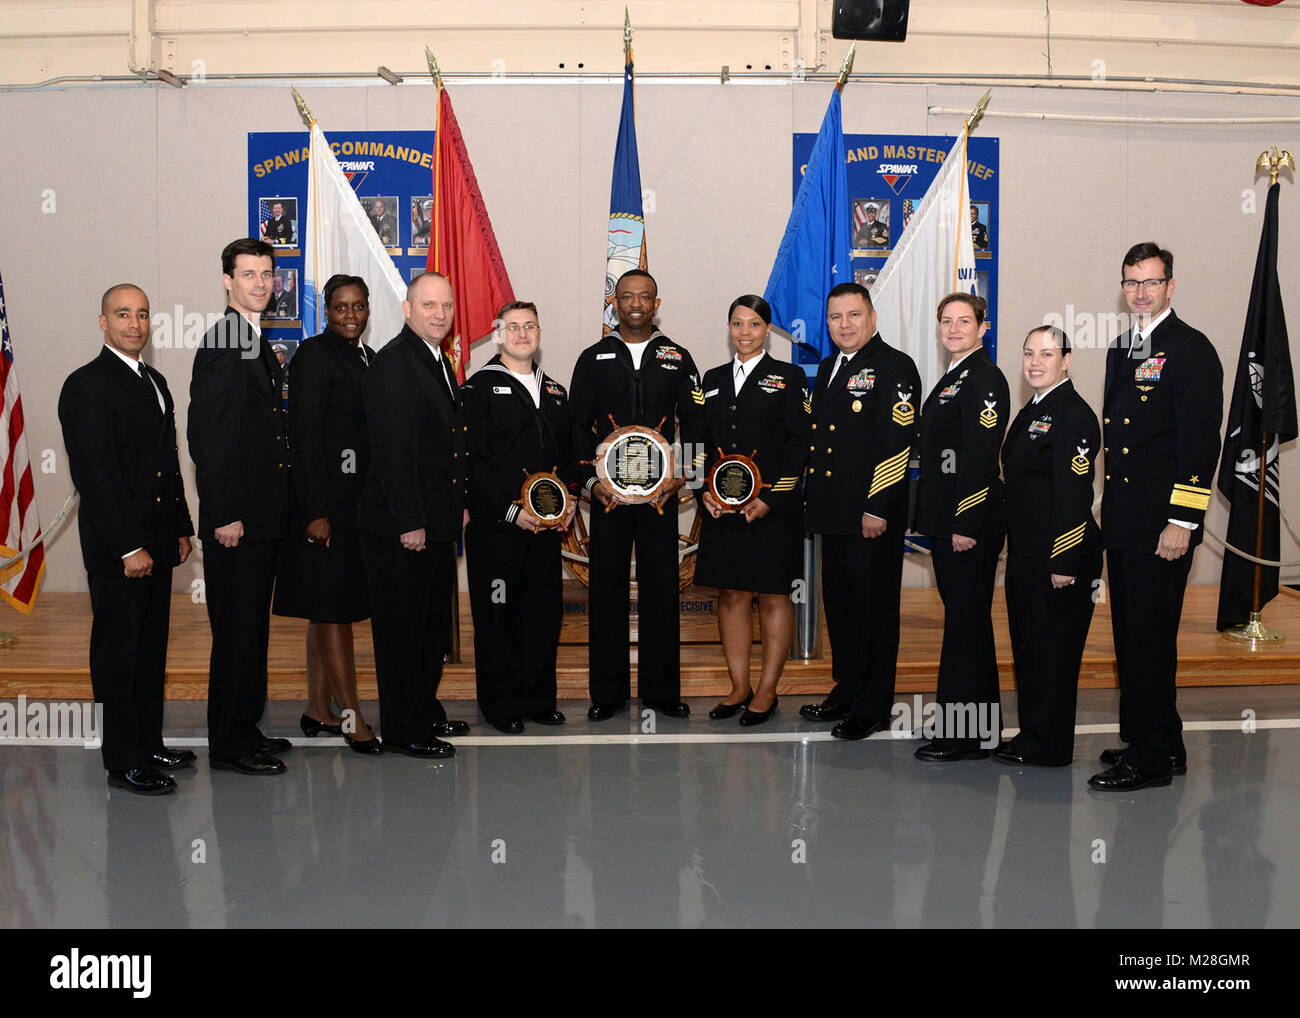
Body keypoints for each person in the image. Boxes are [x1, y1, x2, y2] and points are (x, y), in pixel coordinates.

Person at [1090, 242, 1223, 791]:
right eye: (1130, 283)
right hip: (1125, 519)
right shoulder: (1123, 347)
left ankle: (1147, 761)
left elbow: (1199, 445)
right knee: (1133, 636)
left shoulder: (1191, 349)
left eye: (1150, 282)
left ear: (1171, 286)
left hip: (1163, 525)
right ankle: (1161, 740)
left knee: (1148, 637)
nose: (1140, 293)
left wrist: (1183, 522)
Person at [58, 284, 195, 795]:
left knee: (150, 647)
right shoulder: (86, 385)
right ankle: (123, 758)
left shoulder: (155, 379)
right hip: (122, 550)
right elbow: (97, 477)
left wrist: (180, 525)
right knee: (118, 653)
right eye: (122, 314)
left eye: (141, 314)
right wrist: (127, 547)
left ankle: (149, 741)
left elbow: (167, 464)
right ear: (102, 322)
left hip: (157, 543)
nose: (133, 324)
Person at [568, 269, 705, 721]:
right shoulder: (593, 358)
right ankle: (606, 695)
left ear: (656, 303)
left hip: (660, 500)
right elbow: (573, 431)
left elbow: (698, 430)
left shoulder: (678, 358)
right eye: (627, 297)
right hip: (608, 500)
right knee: (605, 591)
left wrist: (681, 477)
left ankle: (662, 693)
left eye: (644, 297)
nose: (635, 305)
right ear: (615, 302)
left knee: (661, 590)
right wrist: (591, 486)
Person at [188, 238, 291, 775]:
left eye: (266, 273)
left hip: (259, 519)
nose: (258, 282)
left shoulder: (249, 339)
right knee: (235, 633)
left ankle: (245, 727)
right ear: (227, 280)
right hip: (237, 522)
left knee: (251, 630)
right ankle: (229, 744)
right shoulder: (228, 342)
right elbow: (209, 438)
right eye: (247, 274)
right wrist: (224, 512)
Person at [800, 282, 921, 739]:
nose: (844, 325)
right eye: (835, 317)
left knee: (874, 613)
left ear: (872, 318)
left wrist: (877, 507)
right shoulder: (830, 365)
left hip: (871, 516)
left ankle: (872, 707)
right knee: (843, 609)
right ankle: (847, 690)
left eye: (853, 315)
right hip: (834, 513)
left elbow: (897, 441)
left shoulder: (896, 366)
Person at [356, 271, 469, 757]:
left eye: (445, 305)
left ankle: (423, 709)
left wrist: (455, 507)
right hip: (402, 527)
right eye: (428, 305)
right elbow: (392, 451)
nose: (439, 314)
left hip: (437, 521)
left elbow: (445, 445)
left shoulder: (436, 359)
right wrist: (410, 521)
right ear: (407, 310)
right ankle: (404, 729)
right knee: (403, 633)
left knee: (429, 629)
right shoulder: (395, 363)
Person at [273, 274, 380, 754]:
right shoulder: (315, 355)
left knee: (326, 607)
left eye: (358, 307)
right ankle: (352, 716)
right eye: (340, 308)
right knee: (335, 609)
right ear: (326, 311)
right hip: (324, 508)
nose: (350, 315)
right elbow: (304, 435)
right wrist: (316, 511)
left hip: (355, 505)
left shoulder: (368, 357)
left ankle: (318, 707)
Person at [461, 301, 577, 733]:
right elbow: (473, 464)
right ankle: (501, 704)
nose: (522, 333)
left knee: (542, 614)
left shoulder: (556, 392)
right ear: (498, 334)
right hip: (498, 531)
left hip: (545, 530)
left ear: (539, 333)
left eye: (530, 325)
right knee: (498, 616)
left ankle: (538, 700)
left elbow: (569, 458)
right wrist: (512, 512)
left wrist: (563, 504)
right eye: (513, 327)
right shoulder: (477, 389)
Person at [693, 295, 810, 727]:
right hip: (721, 509)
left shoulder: (789, 376)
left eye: (754, 325)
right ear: (729, 328)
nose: (745, 332)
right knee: (731, 593)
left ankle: (766, 690)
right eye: (737, 324)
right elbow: (697, 440)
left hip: (772, 509)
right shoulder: (711, 378)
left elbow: (801, 444)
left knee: (774, 595)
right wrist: (701, 487)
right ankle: (739, 686)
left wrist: (771, 498)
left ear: (767, 330)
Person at [996, 325, 1101, 767]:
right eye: (1028, 354)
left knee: (1054, 653)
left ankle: (1050, 745)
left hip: (1059, 557)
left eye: (1046, 353)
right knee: (1030, 649)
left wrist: (1065, 560)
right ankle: (1033, 733)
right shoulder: (1032, 410)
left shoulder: (1073, 414)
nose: (1035, 362)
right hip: (1026, 552)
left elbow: (1075, 495)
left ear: (1067, 360)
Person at [913, 292, 1010, 761]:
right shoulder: (954, 376)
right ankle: (979, 727)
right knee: (967, 623)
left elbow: (981, 456)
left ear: (982, 328)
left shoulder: (985, 379)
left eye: (964, 321)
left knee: (965, 626)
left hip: (967, 525)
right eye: (946, 321)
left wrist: (966, 521)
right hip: (946, 521)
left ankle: (962, 736)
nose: (953, 329)